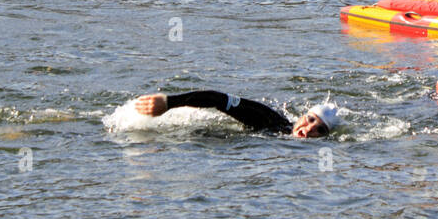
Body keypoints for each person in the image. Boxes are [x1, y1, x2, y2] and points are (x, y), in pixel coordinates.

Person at [131, 90, 337, 138]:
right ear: (301, 116)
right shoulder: (269, 120)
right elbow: (218, 99)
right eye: (310, 120)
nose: (309, 130)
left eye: (319, 129)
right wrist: (169, 102)